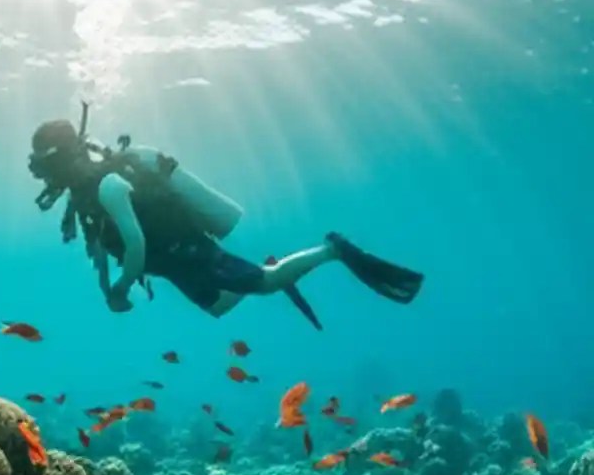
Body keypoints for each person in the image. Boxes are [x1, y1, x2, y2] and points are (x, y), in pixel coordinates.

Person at [26, 113, 423, 325]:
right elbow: (98, 246)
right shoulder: (83, 197)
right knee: (219, 308)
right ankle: (271, 267)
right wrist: (108, 290)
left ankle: (330, 250)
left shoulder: (109, 186)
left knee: (266, 285)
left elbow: (135, 245)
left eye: (50, 166)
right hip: (169, 263)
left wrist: (123, 288)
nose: (48, 177)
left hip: (187, 251)